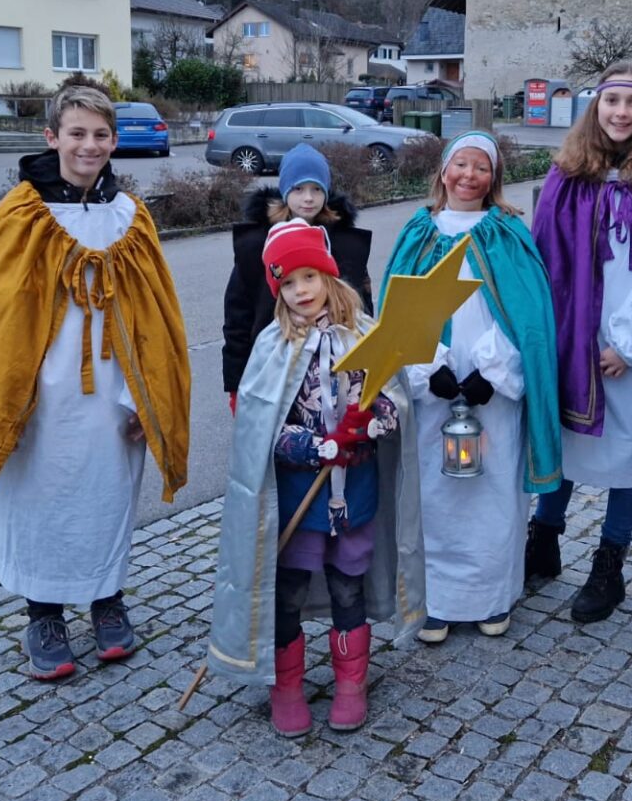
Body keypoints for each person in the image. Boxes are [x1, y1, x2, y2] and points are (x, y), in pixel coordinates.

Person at [0, 81, 191, 680]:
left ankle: (108, 602)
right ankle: (43, 615)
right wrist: (8, 398)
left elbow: (156, 316)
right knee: (39, 500)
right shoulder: (21, 213)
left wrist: (144, 399)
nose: (90, 145)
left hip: (112, 391)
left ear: (113, 140)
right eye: (77, 133)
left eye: (101, 135)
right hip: (39, 393)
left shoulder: (130, 215)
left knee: (106, 497)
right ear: (52, 137)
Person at [208, 219, 423, 737]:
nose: (301, 290)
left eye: (310, 276)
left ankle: (351, 683)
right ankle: (286, 686)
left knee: (348, 587)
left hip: (355, 498)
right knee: (289, 589)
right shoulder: (272, 345)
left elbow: (397, 401)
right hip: (297, 498)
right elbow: (261, 428)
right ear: (277, 290)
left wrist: (370, 421)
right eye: (288, 282)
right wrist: (316, 444)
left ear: (329, 276)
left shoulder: (365, 334)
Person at [528, 63, 632, 623]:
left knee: (629, 453)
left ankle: (609, 564)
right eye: (611, 101)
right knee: (568, 442)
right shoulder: (568, 173)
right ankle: (544, 538)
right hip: (577, 336)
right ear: (595, 107)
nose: (621, 112)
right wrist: (564, 340)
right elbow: (545, 263)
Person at [382, 131, 561, 643]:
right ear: (442, 171)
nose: (468, 175)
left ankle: (490, 598)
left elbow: (529, 319)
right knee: (432, 492)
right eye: (459, 164)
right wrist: (424, 367)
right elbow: (395, 312)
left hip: (492, 395)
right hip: (430, 388)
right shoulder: (419, 232)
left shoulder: (507, 233)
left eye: (480, 167)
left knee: (493, 490)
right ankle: (432, 601)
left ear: (494, 178)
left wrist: (496, 372)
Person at [222, 143, 373, 410]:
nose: (308, 198)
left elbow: (362, 304)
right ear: (284, 191)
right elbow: (238, 316)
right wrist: (236, 382)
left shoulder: (345, 243)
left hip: (334, 365)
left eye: (317, 189)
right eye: (299, 188)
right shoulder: (256, 245)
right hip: (274, 363)